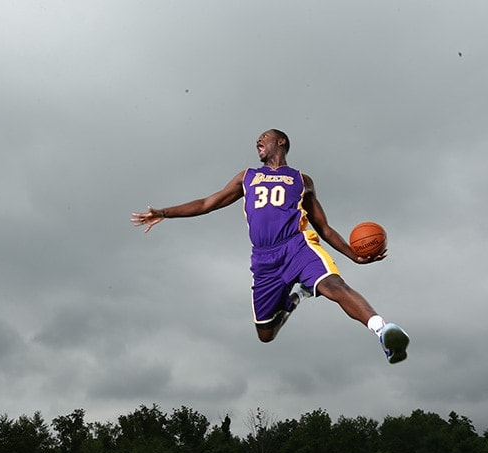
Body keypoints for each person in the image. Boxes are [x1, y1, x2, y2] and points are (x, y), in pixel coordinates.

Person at [131, 129, 409, 364]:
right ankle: (298, 295)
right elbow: (207, 203)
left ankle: (383, 330)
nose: (258, 142)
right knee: (265, 334)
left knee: (334, 285)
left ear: (281, 142)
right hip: (264, 259)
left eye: (264, 138)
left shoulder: (301, 180)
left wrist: (353, 255)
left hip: (298, 246)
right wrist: (164, 212)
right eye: (257, 141)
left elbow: (323, 227)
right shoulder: (247, 176)